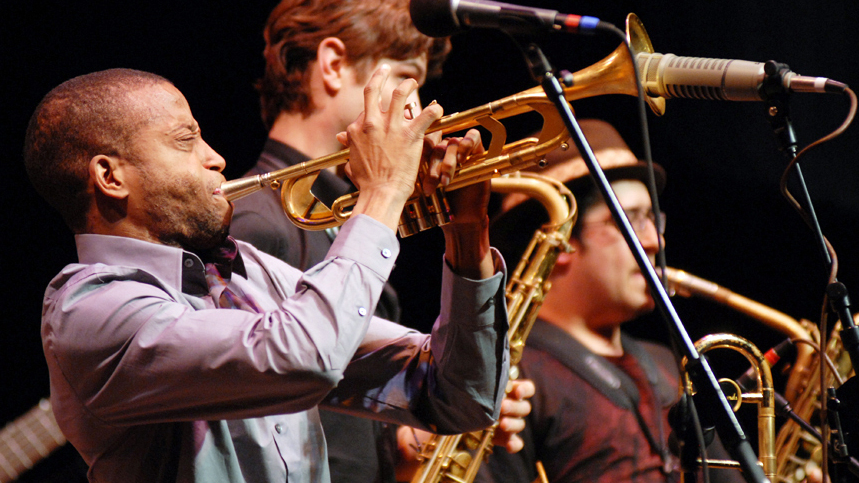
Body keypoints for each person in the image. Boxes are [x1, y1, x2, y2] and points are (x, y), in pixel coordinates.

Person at [24, 67, 511, 483]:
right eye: (186, 140)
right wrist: (384, 190)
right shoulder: (89, 309)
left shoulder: (245, 269)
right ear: (111, 177)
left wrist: (466, 232)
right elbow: (302, 356)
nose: (215, 158)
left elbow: (458, 397)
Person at [229, 1, 533, 481]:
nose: (421, 115)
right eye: (407, 84)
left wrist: (408, 439)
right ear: (332, 65)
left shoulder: (344, 218)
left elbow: (336, 406)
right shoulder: (258, 224)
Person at [479, 119, 742, 483]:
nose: (654, 241)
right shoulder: (510, 377)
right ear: (562, 237)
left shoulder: (665, 362)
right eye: (629, 220)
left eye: (654, 219)